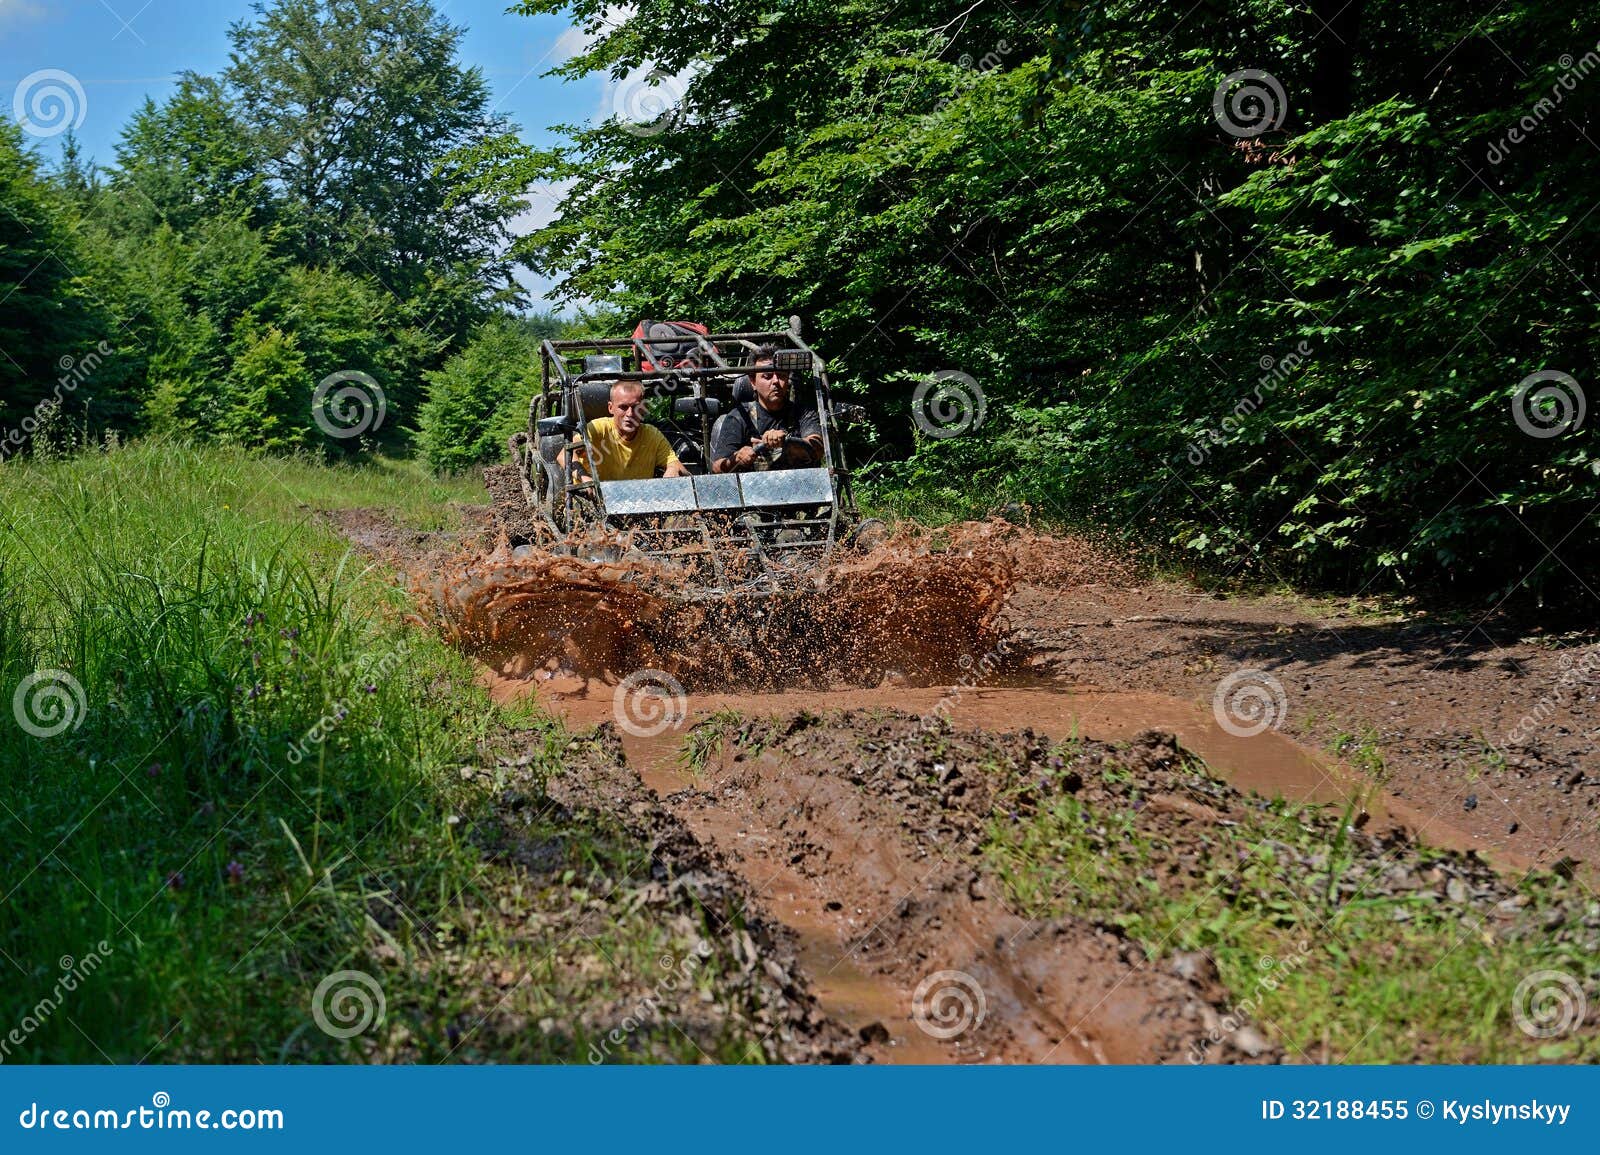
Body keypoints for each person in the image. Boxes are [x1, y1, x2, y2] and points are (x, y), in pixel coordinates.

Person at [710, 347, 824, 474]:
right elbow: (717, 468)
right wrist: (737, 458)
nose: (775, 381)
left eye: (781, 375)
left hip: (801, 484)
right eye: (767, 376)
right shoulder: (740, 416)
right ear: (753, 382)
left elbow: (818, 447)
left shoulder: (803, 413)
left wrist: (787, 443)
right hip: (753, 486)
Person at [570, 380, 688, 482]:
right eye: (623, 407)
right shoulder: (597, 429)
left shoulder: (652, 435)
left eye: (636, 407)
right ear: (610, 408)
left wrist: (673, 469)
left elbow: (677, 465)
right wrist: (584, 477)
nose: (630, 414)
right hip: (590, 498)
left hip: (636, 499)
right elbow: (564, 455)